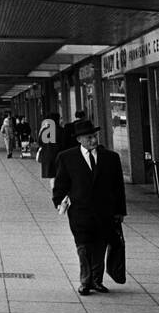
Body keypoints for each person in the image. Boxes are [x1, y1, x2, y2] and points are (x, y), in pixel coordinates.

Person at [52, 119, 126, 296]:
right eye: (89, 137)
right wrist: (59, 202)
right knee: (83, 247)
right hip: (80, 211)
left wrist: (120, 211)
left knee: (100, 245)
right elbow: (60, 184)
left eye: (94, 136)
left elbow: (118, 186)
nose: (93, 140)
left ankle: (97, 281)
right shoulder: (67, 157)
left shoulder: (111, 158)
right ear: (79, 139)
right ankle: (85, 281)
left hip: (104, 211)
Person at [38, 111, 61, 184]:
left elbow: (40, 142)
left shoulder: (45, 131)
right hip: (59, 156)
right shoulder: (61, 130)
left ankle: (54, 193)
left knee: (52, 177)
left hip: (48, 156)